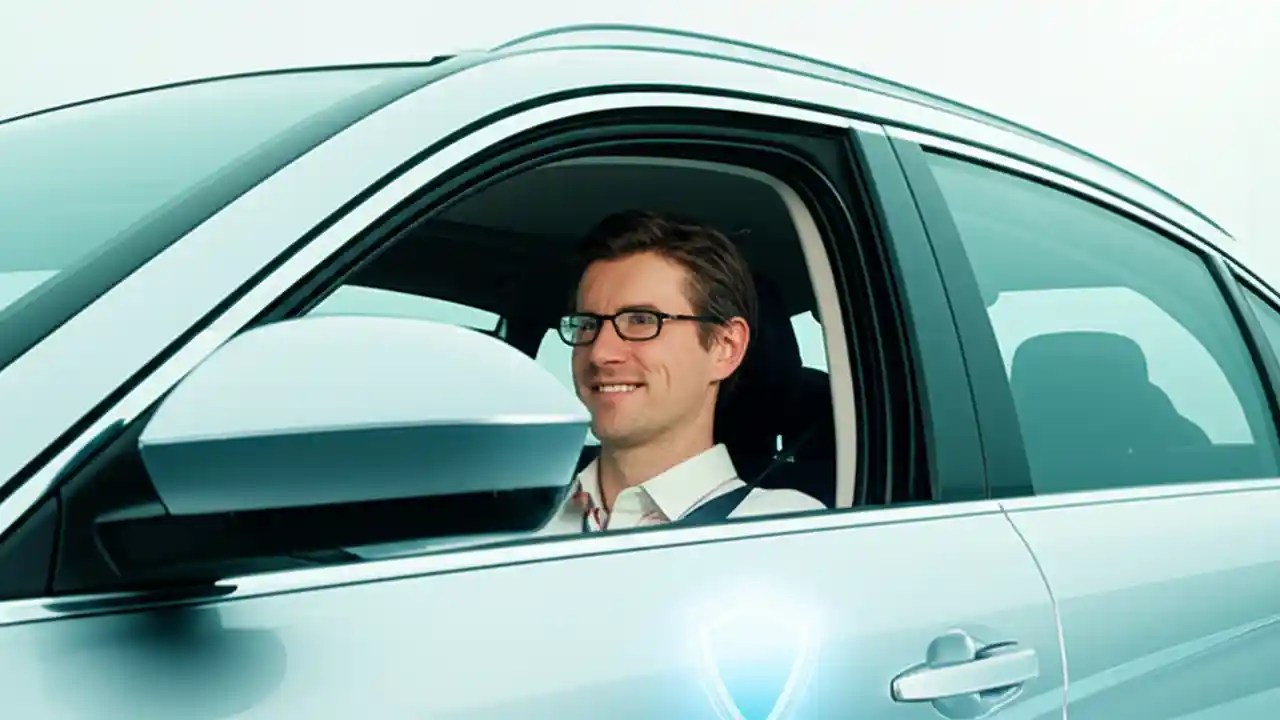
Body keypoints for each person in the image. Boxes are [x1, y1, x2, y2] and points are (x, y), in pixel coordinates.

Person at [542, 210, 825, 534]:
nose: (600, 353)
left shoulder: (784, 531)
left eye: (641, 320)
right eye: (588, 324)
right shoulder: (520, 516)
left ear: (725, 347)